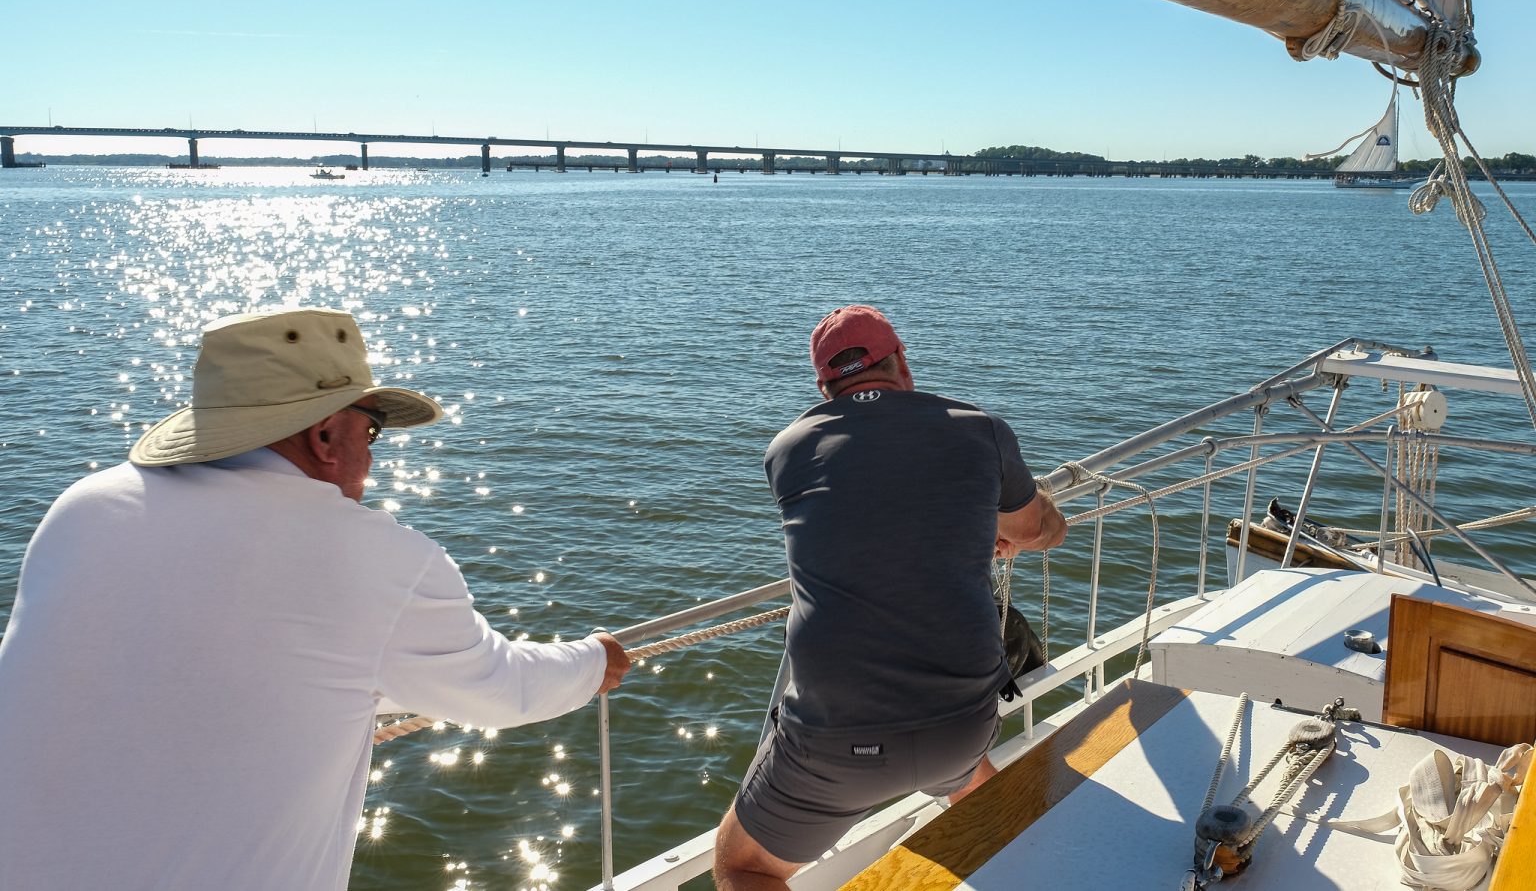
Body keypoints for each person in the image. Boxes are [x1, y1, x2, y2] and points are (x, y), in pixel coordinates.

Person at [0, 307, 631, 891]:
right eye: (372, 432)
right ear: (327, 436)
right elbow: (500, 688)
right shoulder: (379, 561)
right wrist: (593, 660)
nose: (372, 460)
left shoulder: (83, 506)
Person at [713, 304, 1066, 891]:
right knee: (955, 755)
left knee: (741, 867)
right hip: (960, 725)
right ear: (902, 362)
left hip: (835, 742)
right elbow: (1037, 529)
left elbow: (864, 504)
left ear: (824, 389)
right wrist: (1011, 526)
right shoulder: (981, 430)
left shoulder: (787, 450)